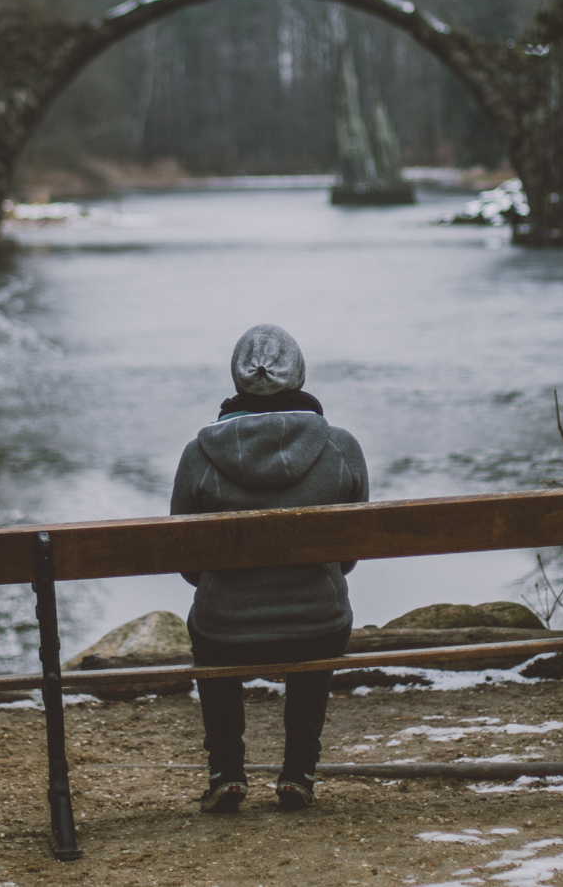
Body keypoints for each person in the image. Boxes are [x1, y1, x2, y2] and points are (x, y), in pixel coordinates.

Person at [170, 323, 369, 814]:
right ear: (298, 376)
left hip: (226, 626)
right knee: (322, 612)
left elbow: (186, 562)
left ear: (238, 382)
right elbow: (349, 557)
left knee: (209, 619)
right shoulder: (341, 447)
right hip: (317, 622)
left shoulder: (199, 454)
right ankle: (299, 771)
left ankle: (226, 773)